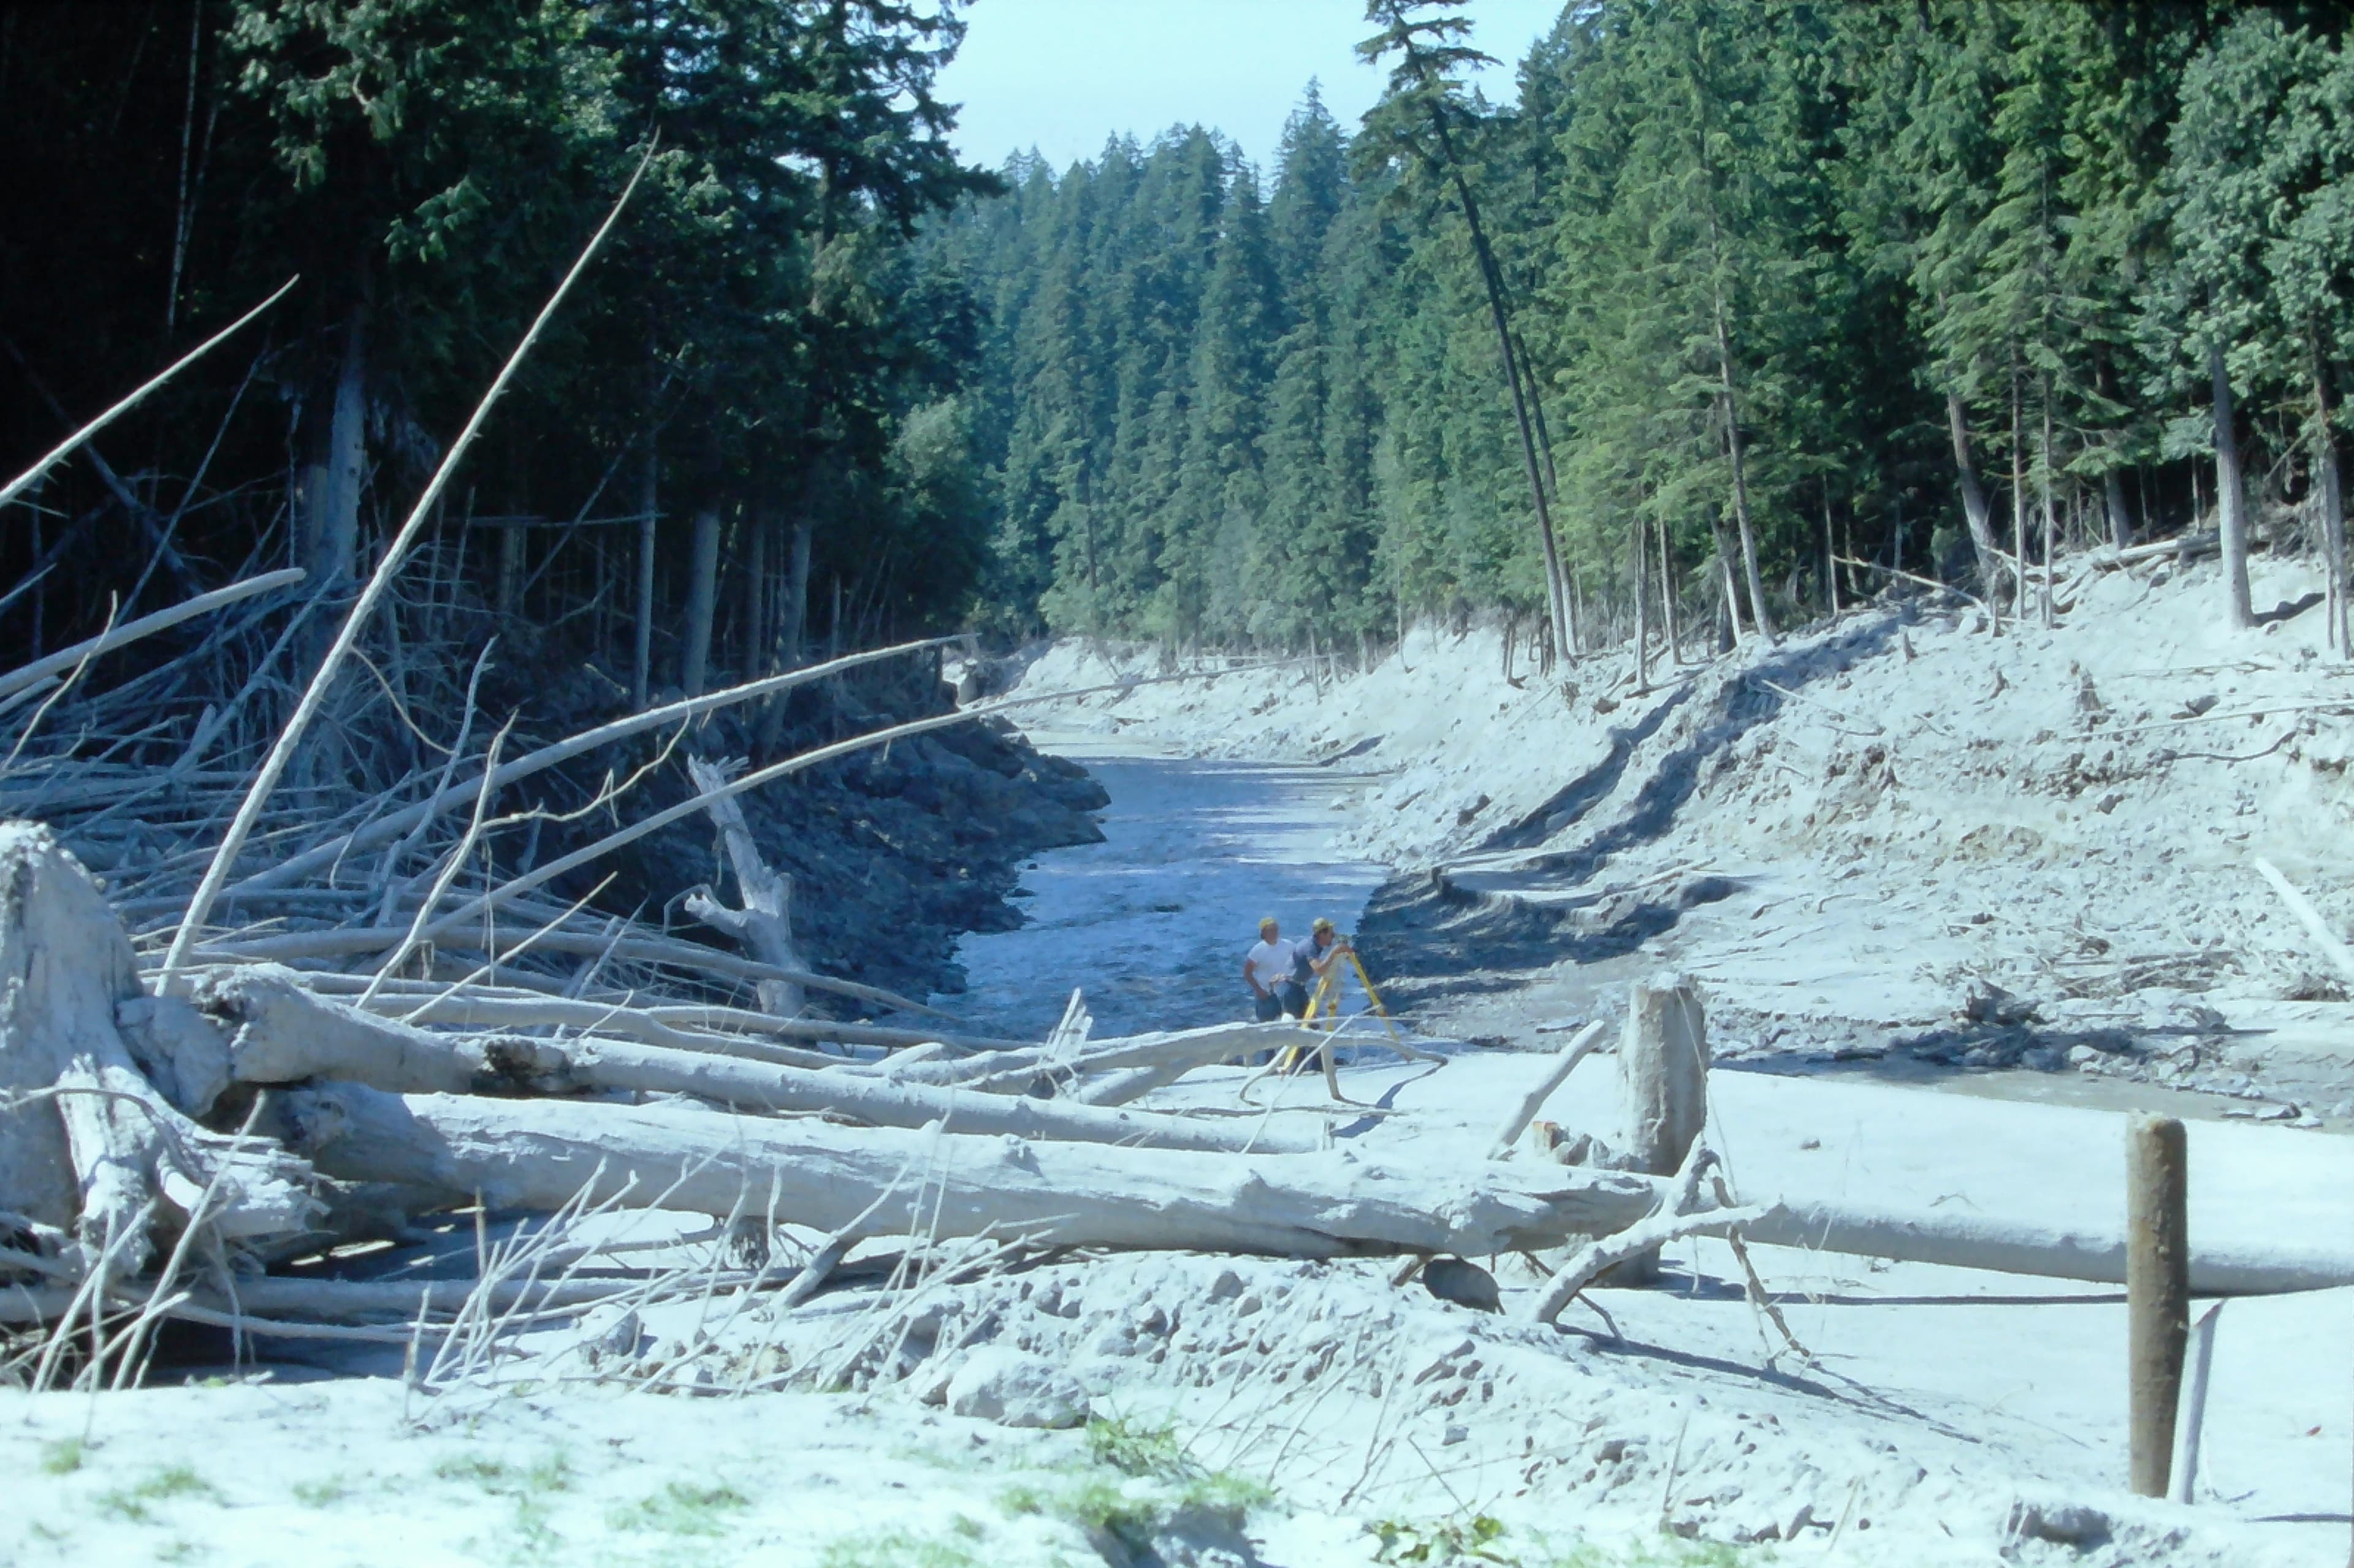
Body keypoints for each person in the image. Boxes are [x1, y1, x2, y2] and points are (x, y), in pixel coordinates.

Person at [1244, 916, 1306, 1021]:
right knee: (1267, 1026)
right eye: (1271, 930)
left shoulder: (1289, 945)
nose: (1274, 933)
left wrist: (1295, 979)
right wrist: (1259, 991)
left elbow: (1301, 961)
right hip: (1266, 995)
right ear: (1263, 933)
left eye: (1276, 930)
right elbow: (1247, 973)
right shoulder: (1257, 951)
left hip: (1287, 992)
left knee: (1291, 1021)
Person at [1292, 917, 1350, 1010]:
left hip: (1299, 987)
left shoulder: (1316, 945)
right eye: (1331, 934)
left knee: (1310, 1019)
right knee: (1294, 1019)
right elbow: (1319, 970)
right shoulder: (1310, 947)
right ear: (1322, 935)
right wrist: (1335, 951)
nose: (1333, 936)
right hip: (1290, 988)